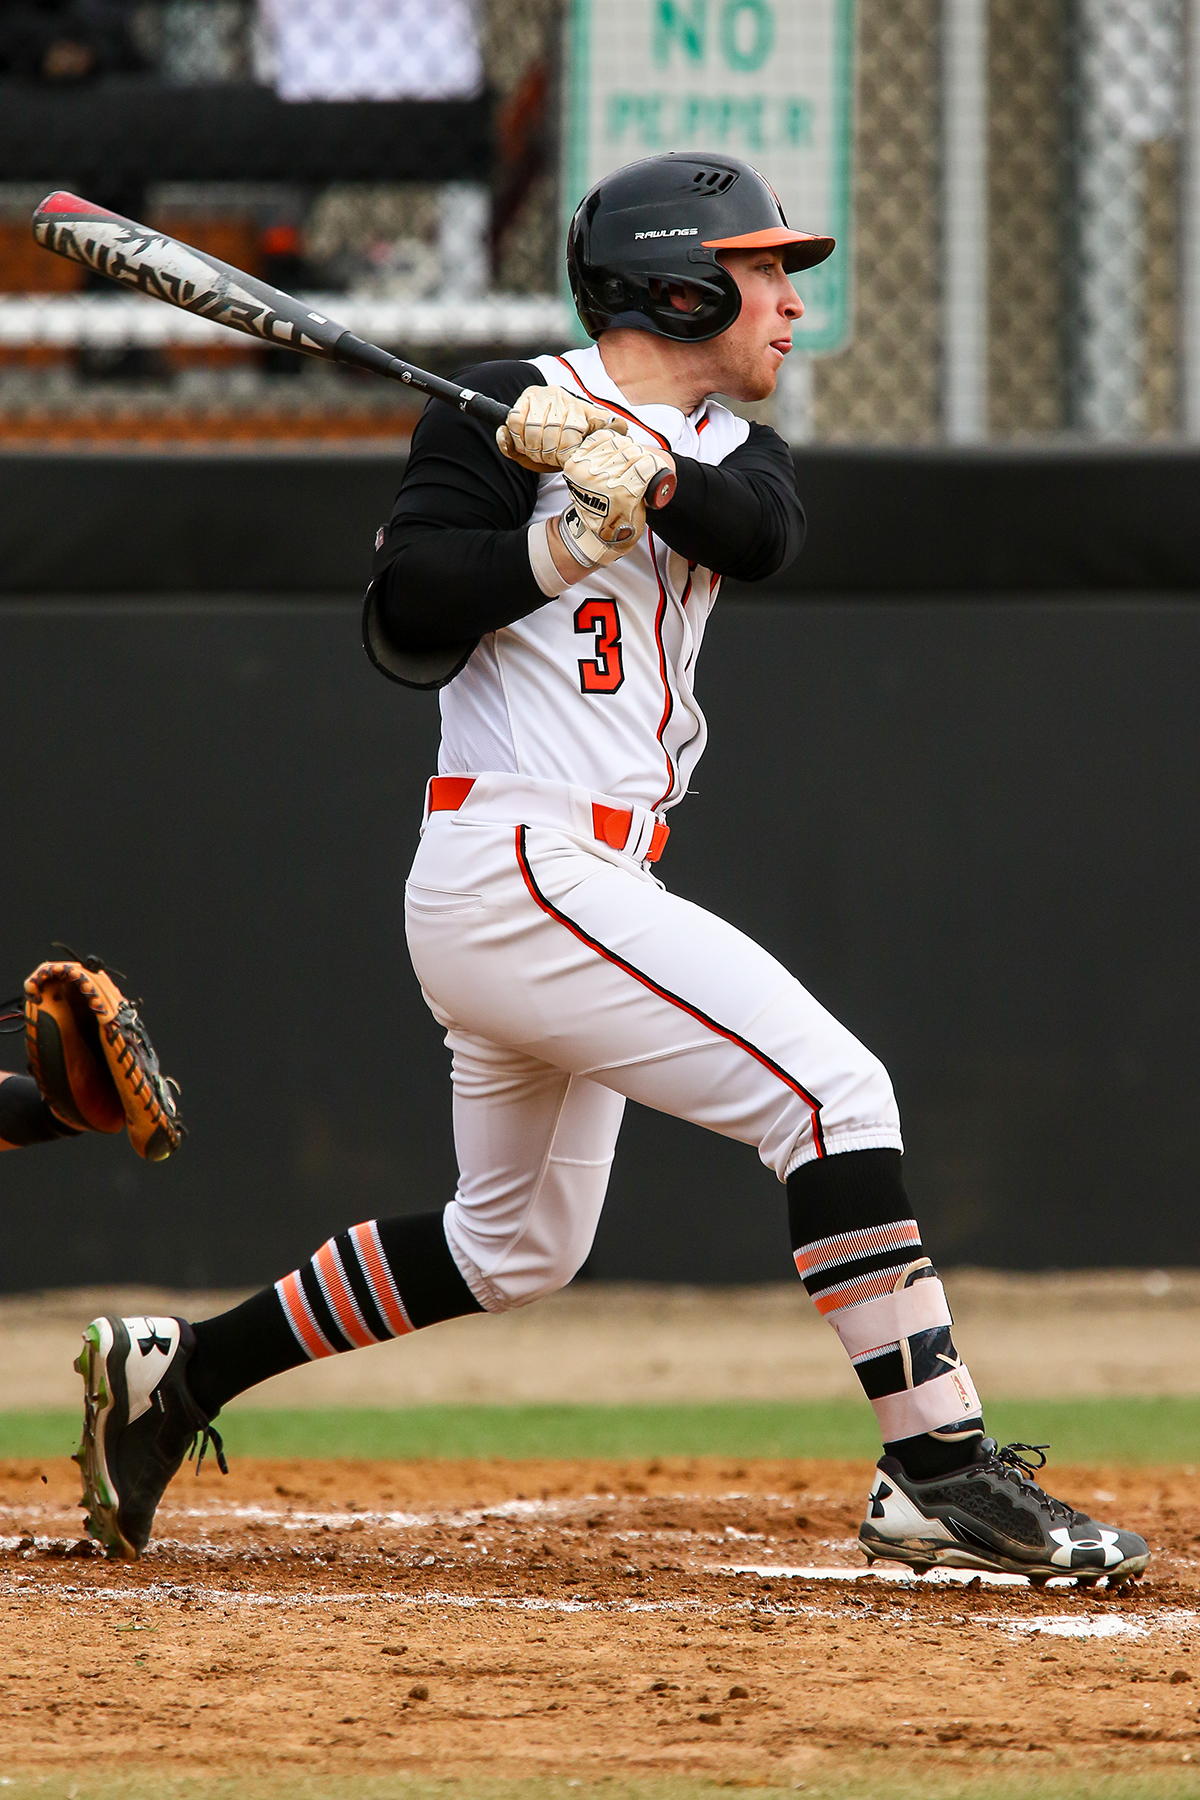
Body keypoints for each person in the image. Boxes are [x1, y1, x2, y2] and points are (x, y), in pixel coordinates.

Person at [75, 152, 1148, 1586]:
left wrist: (640, 472)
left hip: (580, 881)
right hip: (515, 855)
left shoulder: (731, 448)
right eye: (763, 272)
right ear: (678, 278)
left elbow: (758, 534)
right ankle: (939, 1468)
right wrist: (561, 535)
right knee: (834, 1096)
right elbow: (404, 622)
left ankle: (182, 1375)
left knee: (517, 1242)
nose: (786, 305)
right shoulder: (494, 406)